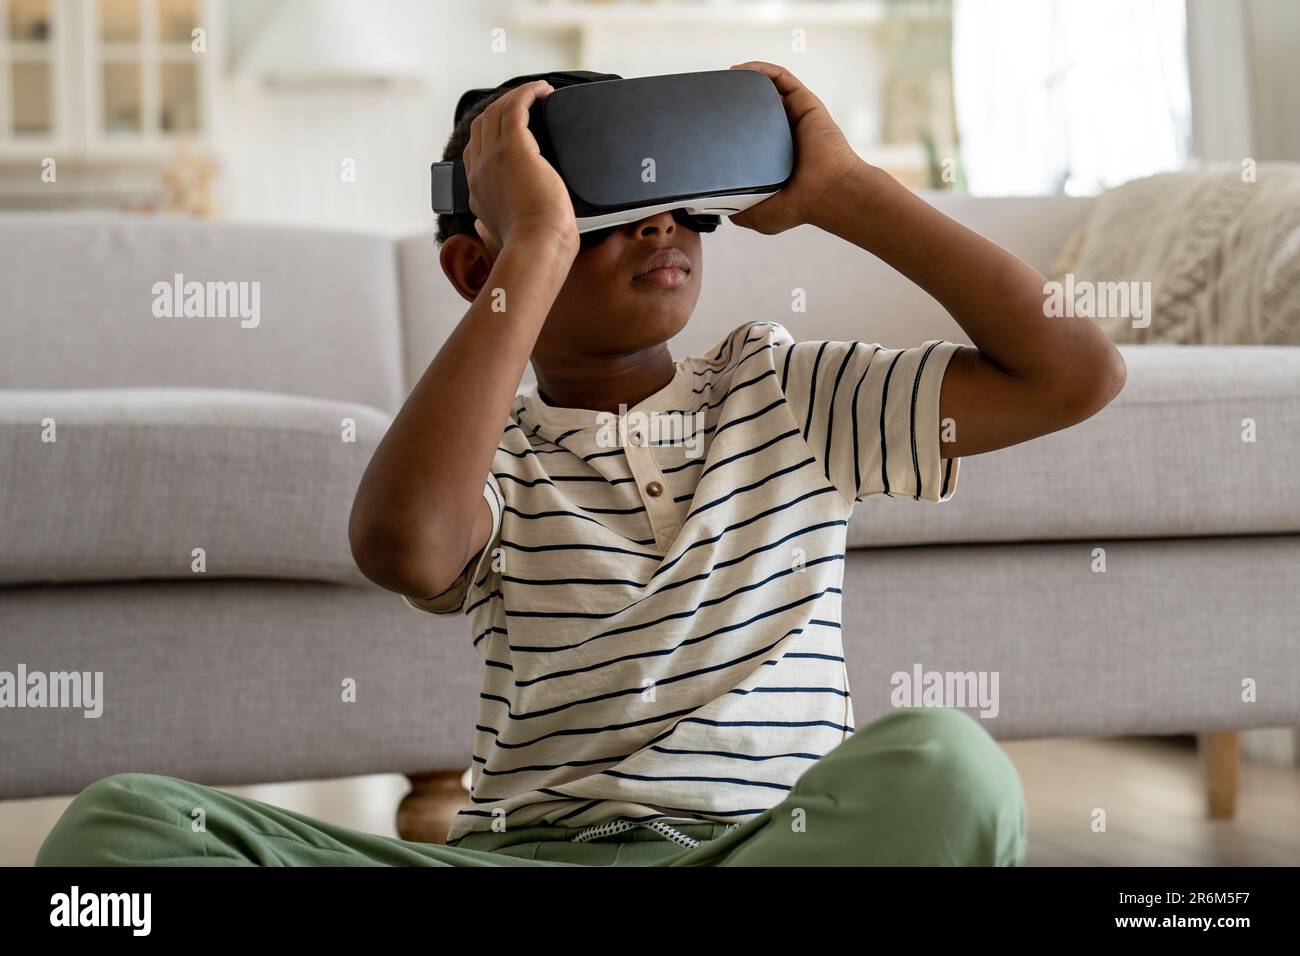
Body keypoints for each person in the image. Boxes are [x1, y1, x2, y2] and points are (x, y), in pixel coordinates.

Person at [38, 62, 1124, 867]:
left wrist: (843, 190)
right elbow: (405, 544)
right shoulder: (488, 455)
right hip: (526, 853)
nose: (660, 222)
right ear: (482, 261)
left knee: (951, 763)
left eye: (682, 201)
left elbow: (1072, 373)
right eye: (601, 207)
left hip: (759, 846)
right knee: (123, 827)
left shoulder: (788, 393)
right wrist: (540, 243)